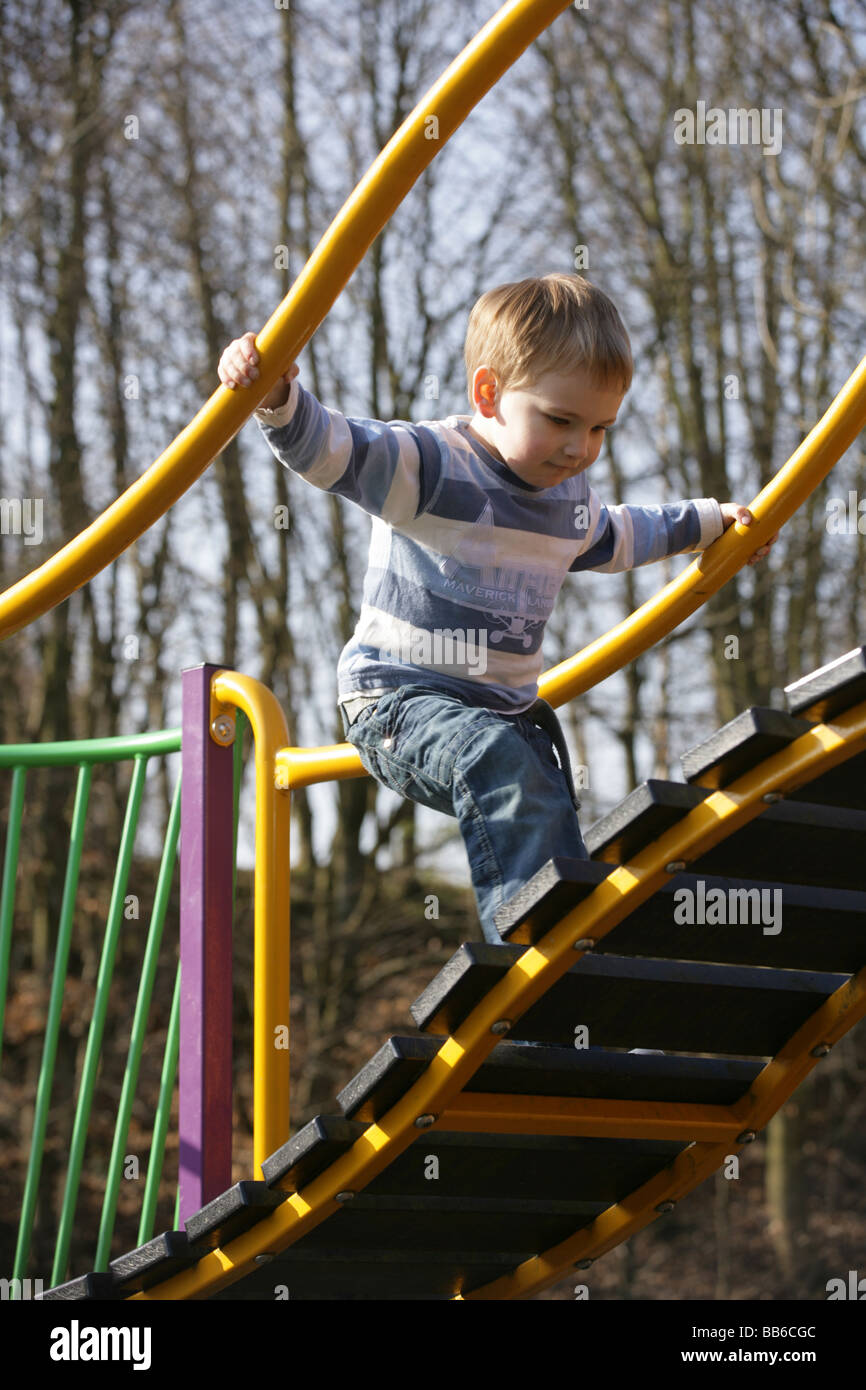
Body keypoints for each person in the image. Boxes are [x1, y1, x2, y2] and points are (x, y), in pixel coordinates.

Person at [218, 273, 777, 948]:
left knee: (547, 811)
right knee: (500, 762)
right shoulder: (430, 464)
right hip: (399, 699)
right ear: (489, 394)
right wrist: (275, 393)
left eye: (601, 428)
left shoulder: (569, 504)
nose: (580, 448)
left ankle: (570, 965)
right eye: (560, 420)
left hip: (502, 715)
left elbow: (626, 535)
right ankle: (528, 965)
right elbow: (331, 448)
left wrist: (709, 522)